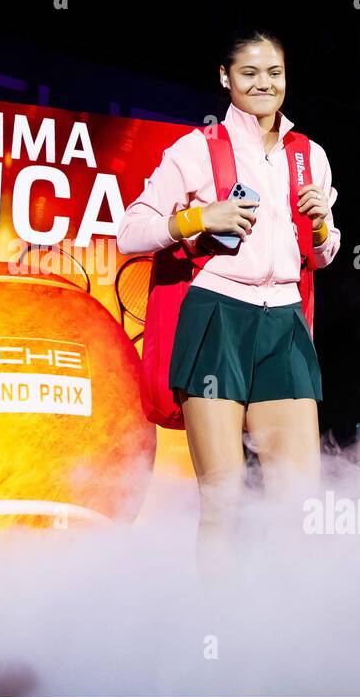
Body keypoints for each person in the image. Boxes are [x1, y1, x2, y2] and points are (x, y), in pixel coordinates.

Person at [116, 30, 341, 585]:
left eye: (275, 73)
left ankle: (285, 636)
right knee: (225, 496)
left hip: (285, 320)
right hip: (218, 313)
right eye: (249, 74)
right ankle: (216, 636)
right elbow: (129, 231)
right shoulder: (196, 149)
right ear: (225, 78)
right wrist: (200, 218)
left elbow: (323, 255)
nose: (264, 84)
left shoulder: (309, 156)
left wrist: (320, 225)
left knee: (297, 504)